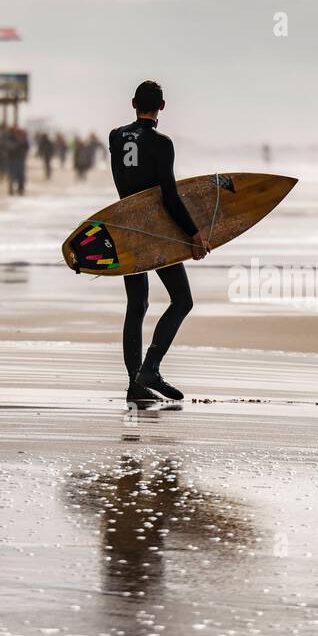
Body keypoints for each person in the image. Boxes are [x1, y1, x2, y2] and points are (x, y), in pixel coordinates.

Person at [108, 80, 211, 405]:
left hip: (126, 225)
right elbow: (169, 195)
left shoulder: (115, 136)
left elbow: (124, 183)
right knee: (182, 300)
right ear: (162, 107)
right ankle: (150, 368)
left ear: (133, 102)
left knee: (136, 304)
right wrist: (193, 233)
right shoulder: (162, 143)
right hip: (155, 232)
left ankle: (134, 383)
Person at [7, 127, 28, 195]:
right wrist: (19, 142)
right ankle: (11, 189)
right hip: (12, 159)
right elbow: (10, 147)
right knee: (12, 175)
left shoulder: (23, 139)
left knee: (21, 175)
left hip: (20, 159)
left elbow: (26, 147)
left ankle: (20, 189)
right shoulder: (10, 138)